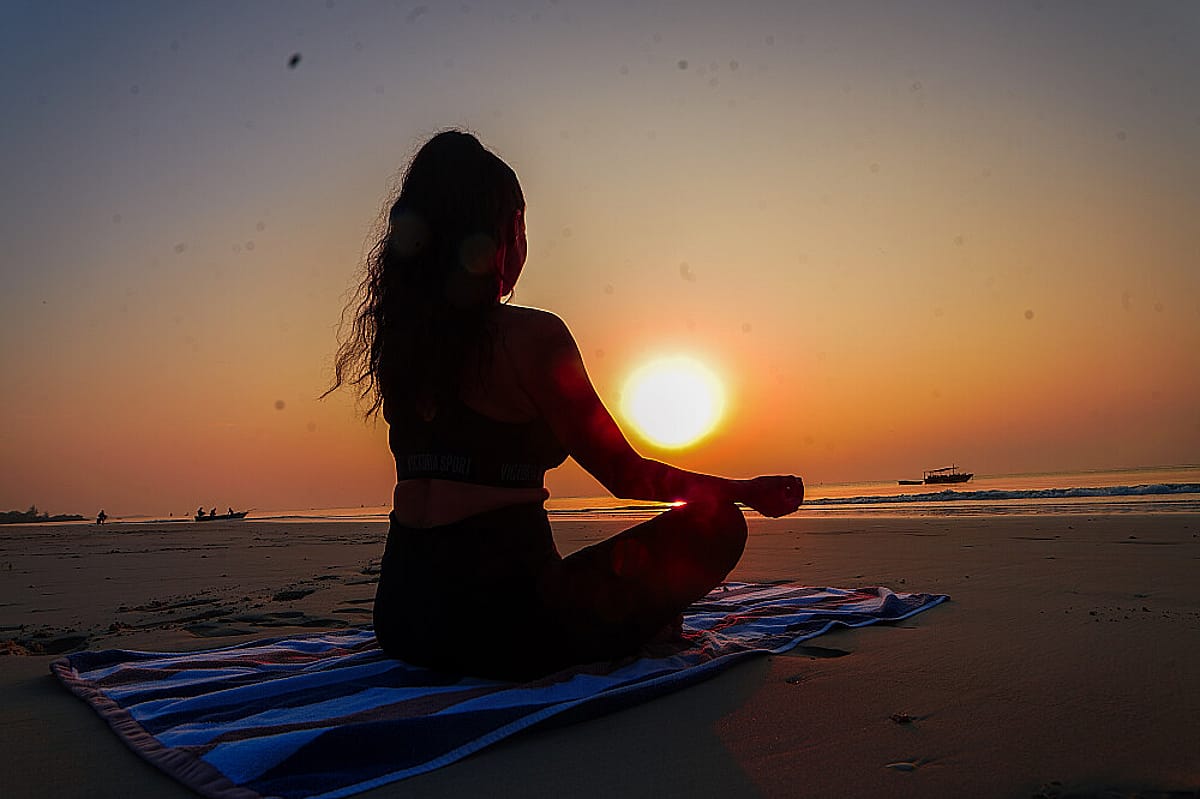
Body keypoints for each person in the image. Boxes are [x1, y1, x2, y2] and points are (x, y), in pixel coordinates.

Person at [328, 130, 803, 681]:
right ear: (496, 238)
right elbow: (627, 476)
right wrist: (746, 491)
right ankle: (629, 627)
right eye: (520, 225)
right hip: (505, 628)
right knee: (719, 525)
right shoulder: (533, 337)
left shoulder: (400, 348)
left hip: (404, 620)